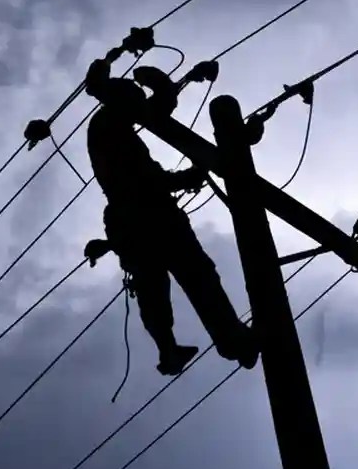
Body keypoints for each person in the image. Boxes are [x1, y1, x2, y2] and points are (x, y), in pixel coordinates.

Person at [82, 47, 258, 376]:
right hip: (146, 216)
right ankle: (225, 342)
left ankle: (196, 346)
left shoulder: (112, 126)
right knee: (192, 278)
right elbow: (144, 177)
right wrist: (187, 176)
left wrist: (153, 82)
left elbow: (149, 113)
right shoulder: (110, 131)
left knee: (169, 283)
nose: (140, 111)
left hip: (137, 218)